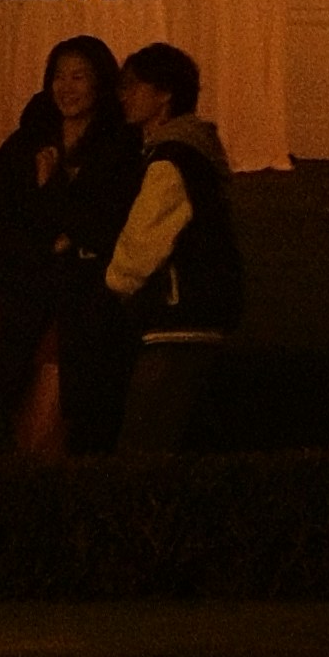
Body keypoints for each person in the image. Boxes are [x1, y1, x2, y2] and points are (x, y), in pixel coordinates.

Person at [0, 30, 143, 457]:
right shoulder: (29, 141)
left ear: (100, 83)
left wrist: (53, 193)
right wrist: (41, 245)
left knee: (56, 395)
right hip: (23, 288)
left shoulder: (117, 146)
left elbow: (104, 219)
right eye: (59, 77)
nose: (66, 88)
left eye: (79, 77)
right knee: (18, 387)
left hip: (80, 297)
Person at [92, 42, 244, 419]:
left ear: (164, 95)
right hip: (200, 315)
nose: (124, 96)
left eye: (134, 86)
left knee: (146, 440)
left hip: (177, 320)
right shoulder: (194, 151)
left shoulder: (171, 161)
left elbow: (141, 246)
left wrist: (110, 288)